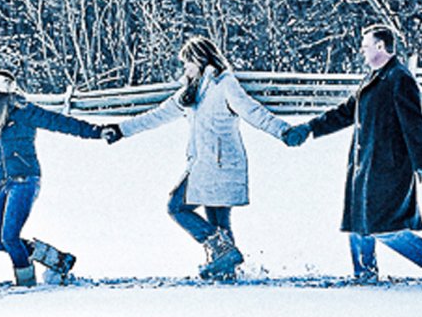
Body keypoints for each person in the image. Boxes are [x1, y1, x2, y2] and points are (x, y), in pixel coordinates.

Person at [111, 35, 296, 281]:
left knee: (176, 207)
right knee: (218, 221)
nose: (184, 68)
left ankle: (221, 251)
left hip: (221, 163)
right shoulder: (191, 91)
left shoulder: (224, 84)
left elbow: (252, 111)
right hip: (204, 163)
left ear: (199, 59)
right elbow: (157, 115)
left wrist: (283, 131)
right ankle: (225, 270)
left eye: (187, 63)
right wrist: (122, 129)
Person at [289, 24, 422, 284]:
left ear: (381, 46)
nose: (362, 51)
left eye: (366, 45)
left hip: (389, 166)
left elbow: (414, 124)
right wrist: (310, 127)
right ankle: (364, 274)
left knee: (381, 225)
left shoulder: (399, 78)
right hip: (364, 165)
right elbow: (345, 113)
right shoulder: (373, 78)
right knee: (357, 222)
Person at [0, 66, 116, 286]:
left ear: (1, 93)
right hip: (5, 184)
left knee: (10, 237)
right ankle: (58, 260)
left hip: (25, 180)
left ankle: (26, 283)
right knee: (1, 242)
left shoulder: (23, 112)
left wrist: (97, 132)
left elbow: (60, 122)